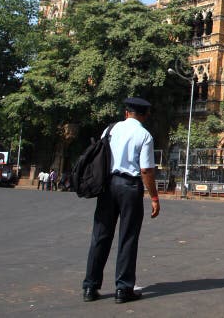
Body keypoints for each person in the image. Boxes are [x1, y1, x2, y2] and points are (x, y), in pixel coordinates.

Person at [82, 97, 160, 304]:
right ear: (145, 115)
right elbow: (146, 170)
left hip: (107, 186)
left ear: (126, 113)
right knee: (128, 237)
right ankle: (123, 288)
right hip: (130, 188)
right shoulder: (144, 135)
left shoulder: (110, 130)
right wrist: (154, 197)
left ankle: (90, 287)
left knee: (100, 235)